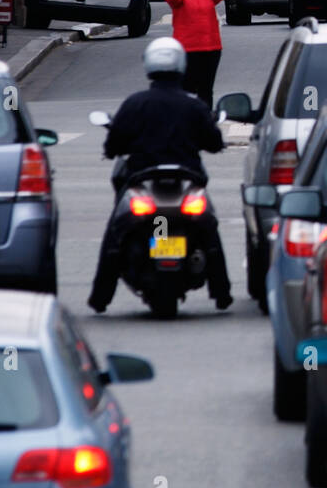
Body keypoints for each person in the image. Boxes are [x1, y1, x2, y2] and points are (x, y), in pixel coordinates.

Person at [88, 37, 232, 312]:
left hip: (142, 181)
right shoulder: (194, 105)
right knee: (209, 229)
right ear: (181, 65)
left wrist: (114, 147)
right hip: (186, 182)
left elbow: (113, 144)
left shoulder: (135, 103)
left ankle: (100, 296)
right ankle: (221, 291)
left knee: (115, 234)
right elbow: (214, 143)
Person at [165, 0, 228, 110]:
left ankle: (205, 121)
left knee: (206, 90)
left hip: (211, 48)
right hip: (187, 49)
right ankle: (187, 122)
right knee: (187, 89)